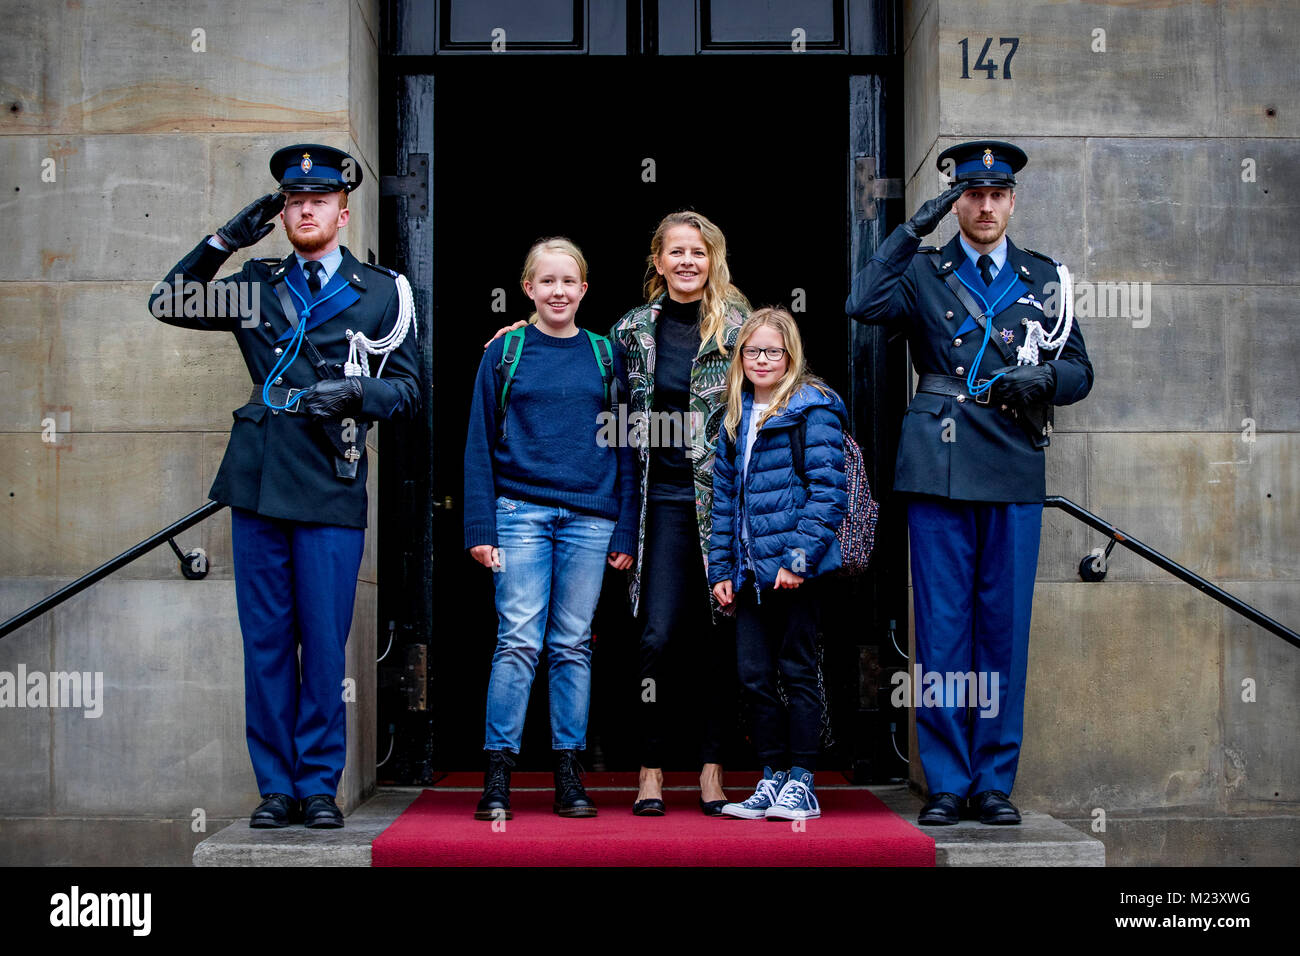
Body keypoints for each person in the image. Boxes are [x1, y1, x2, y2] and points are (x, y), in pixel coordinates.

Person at [148, 144, 422, 829]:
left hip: (331, 477)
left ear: (341, 210)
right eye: (294, 201)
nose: (305, 209)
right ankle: (275, 786)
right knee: (266, 641)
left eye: (319, 200)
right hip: (260, 479)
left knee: (324, 643)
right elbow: (167, 300)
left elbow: (412, 392)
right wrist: (219, 241)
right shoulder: (258, 279)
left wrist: (357, 390)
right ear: (282, 210)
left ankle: (318, 784)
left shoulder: (382, 290)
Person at [845, 141, 1093, 826]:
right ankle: (948, 779)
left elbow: (1080, 370)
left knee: (1003, 631)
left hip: (1011, 458)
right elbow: (860, 302)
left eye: (997, 195)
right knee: (945, 628)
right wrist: (909, 229)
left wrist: (1045, 378)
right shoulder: (926, 270)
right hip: (939, 462)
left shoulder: (1045, 277)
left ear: (1012, 201)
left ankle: (993, 780)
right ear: (958, 202)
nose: (985, 206)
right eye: (972, 195)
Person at [487, 211, 751, 815]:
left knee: (718, 632)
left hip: (723, 499)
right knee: (654, 637)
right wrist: (515, 332)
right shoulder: (629, 332)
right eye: (675, 252)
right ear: (657, 261)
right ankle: (651, 770)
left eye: (699, 252)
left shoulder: (740, 326)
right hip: (657, 502)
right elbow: (577, 368)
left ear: (714, 259)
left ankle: (712, 771)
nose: (688, 262)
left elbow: (776, 381)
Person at [464, 238, 636, 819]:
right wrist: (480, 525)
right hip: (518, 515)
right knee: (516, 641)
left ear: (584, 289)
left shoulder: (606, 355)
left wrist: (625, 528)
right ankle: (498, 776)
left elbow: (628, 448)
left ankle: (569, 773)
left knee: (572, 645)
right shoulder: (504, 353)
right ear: (528, 289)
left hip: (591, 517)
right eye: (547, 281)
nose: (558, 291)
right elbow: (478, 445)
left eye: (569, 281)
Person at [709, 308, 847, 821]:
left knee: (798, 672)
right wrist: (720, 571)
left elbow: (828, 492)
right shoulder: (734, 413)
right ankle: (771, 778)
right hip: (748, 576)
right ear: (739, 356)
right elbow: (725, 500)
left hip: (794, 573)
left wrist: (796, 559)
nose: (761, 360)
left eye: (772, 351)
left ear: (790, 355)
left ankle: (803, 781)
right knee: (753, 677)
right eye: (751, 351)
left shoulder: (813, 408)